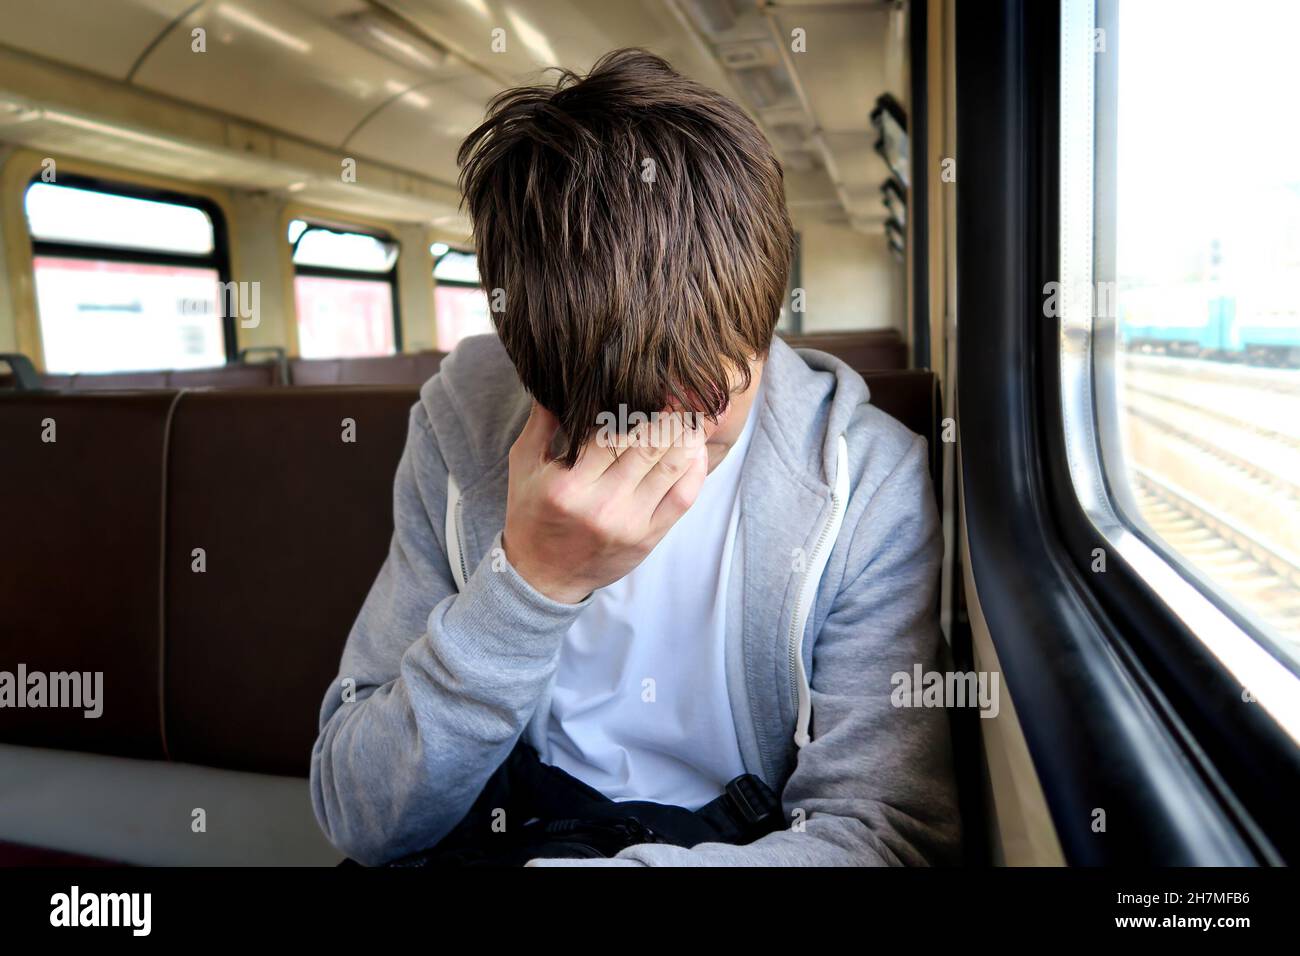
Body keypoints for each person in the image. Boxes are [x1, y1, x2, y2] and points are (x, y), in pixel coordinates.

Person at [310, 48, 960, 867]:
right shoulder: (463, 423)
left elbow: (887, 837)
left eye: (710, 398)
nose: (668, 444)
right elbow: (360, 815)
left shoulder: (867, 482)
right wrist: (529, 586)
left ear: (762, 326)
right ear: (538, 376)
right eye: (621, 413)